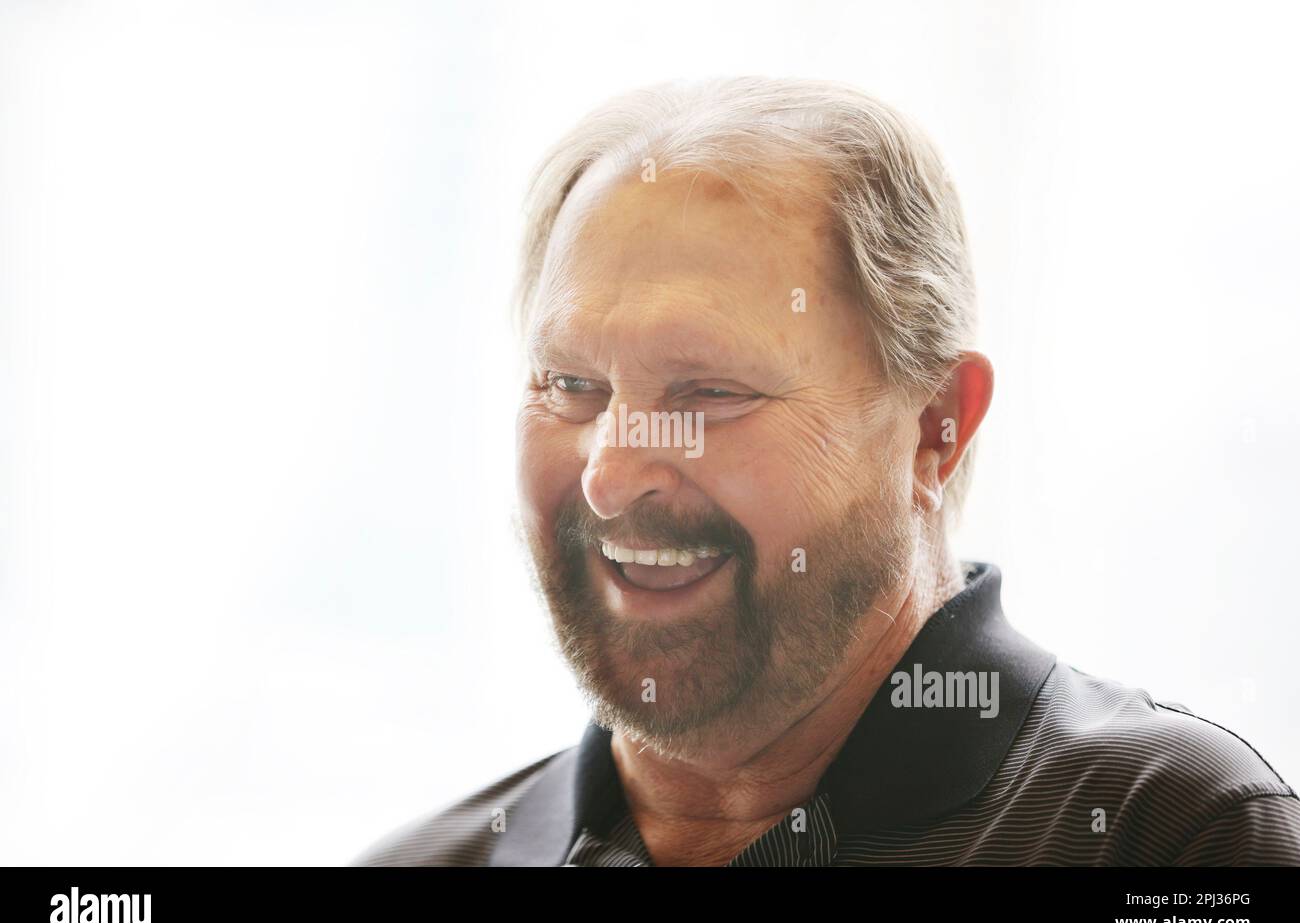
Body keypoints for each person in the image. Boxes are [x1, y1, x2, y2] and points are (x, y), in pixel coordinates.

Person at [354, 76, 1300, 866]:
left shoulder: (1179, 839)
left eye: (710, 389)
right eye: (570, 383)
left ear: (936, 425)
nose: (612, 474)